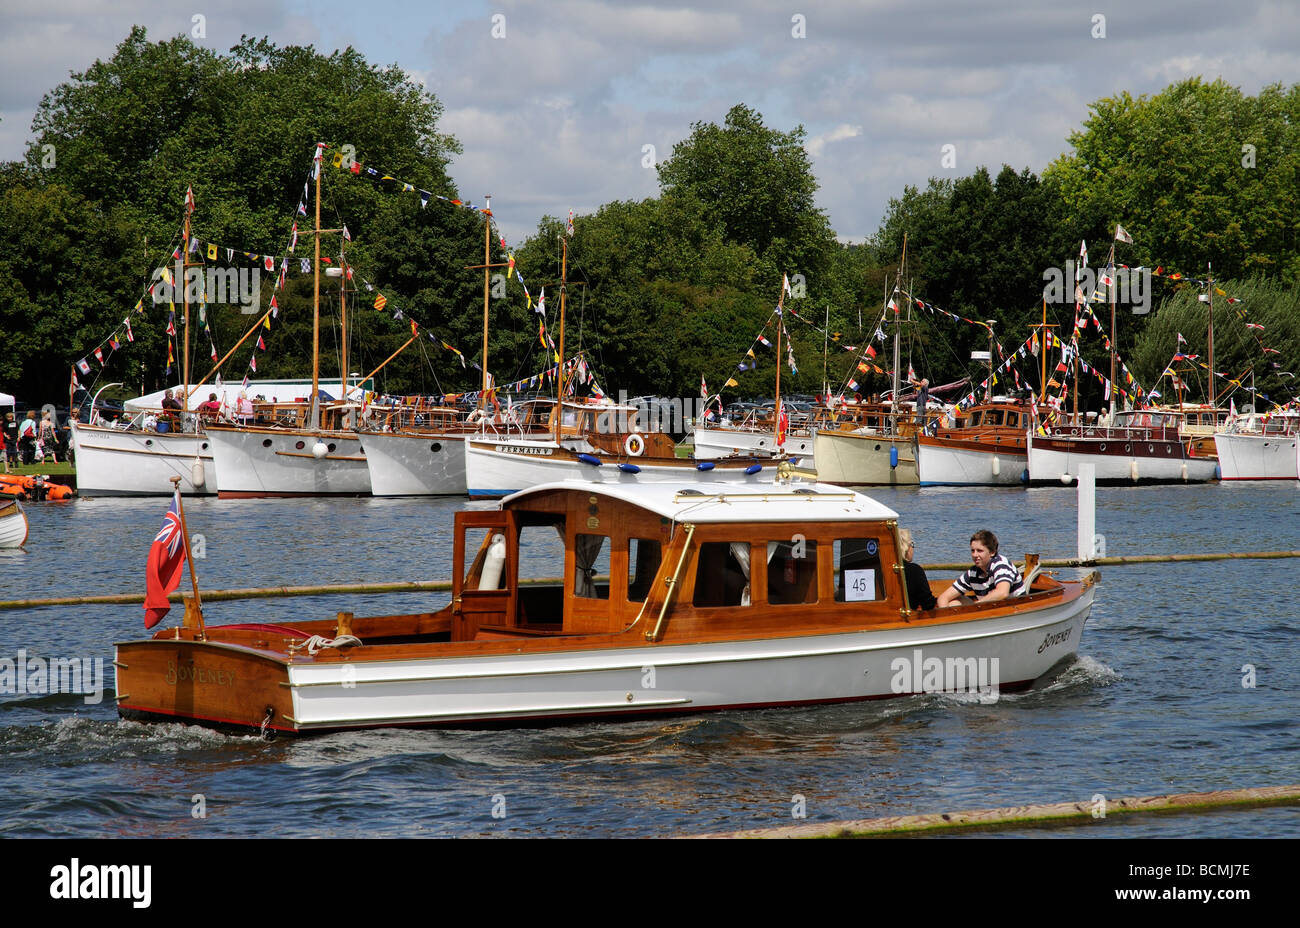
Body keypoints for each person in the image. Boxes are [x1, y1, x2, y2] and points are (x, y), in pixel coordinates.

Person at [937, 529, 1024, 607]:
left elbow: (1002, 593)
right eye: (972, 550)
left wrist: (976, 606)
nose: (975, 555)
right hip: (990, 610)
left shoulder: (1001, 565)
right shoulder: (972, 573)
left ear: (992, 552)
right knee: (953, 602)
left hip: (1017, 607)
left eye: (979, 551)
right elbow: (943, 598)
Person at [898, 528, 936, 611]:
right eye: (912, 544)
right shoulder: (914, 570)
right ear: (906, 547)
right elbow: (928, 604)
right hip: (908, 618)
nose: (913, 548)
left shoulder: (885, 568)